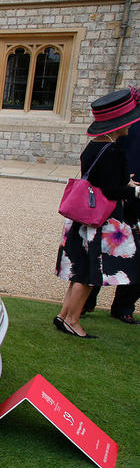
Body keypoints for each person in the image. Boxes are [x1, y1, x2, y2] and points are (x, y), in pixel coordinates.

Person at [54, 88, 140, 338]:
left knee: (80, 270)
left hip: (85, 217)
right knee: (90, 274)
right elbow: (111, 190)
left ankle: (64, 315)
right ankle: (72, 320)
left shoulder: (94, 147)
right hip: (101, 221)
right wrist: (132, 190)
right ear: (117, 126)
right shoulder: (112, 152)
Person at [81, 118, 140, 324]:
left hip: (122, 199)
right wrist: (132, 187)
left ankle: (123, 306)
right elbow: (108, 184)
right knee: (99, 255)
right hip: (114, 207)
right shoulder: (113, 143)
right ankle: (82, 305)